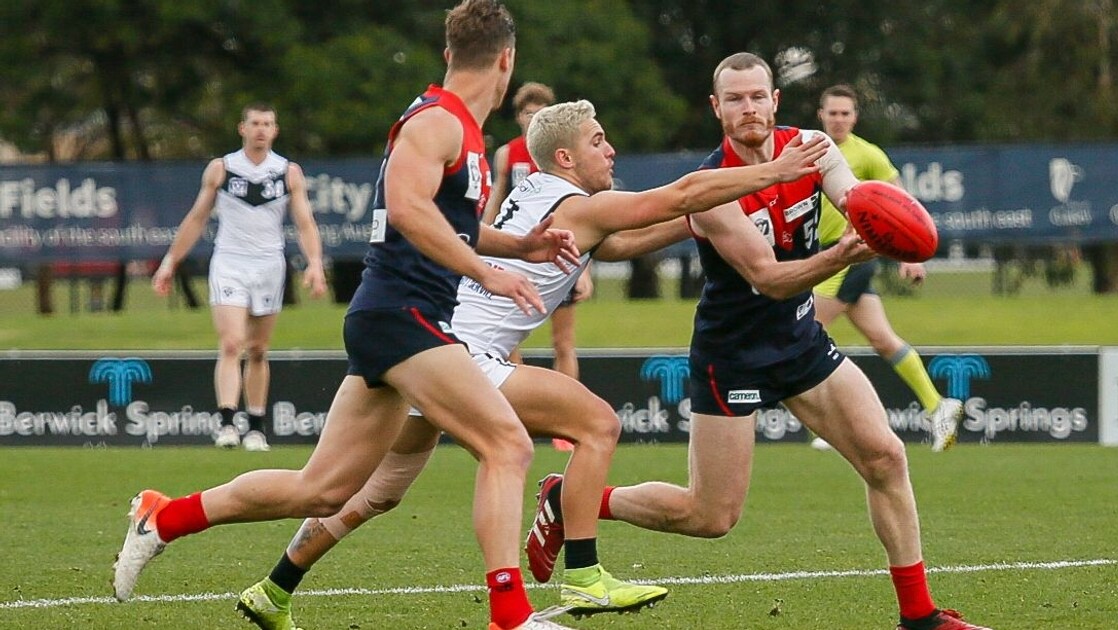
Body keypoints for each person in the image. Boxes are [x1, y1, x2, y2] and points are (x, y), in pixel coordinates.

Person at [233, 98, 832, 630]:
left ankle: (272, 589)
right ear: (567, 157)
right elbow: (675, 196)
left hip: (430, 347)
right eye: (599, 141)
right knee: (597, 424)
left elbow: (627, 238)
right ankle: (583, 573)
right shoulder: (576, 203)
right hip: (460, 355)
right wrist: (771, 174)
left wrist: (706, 217)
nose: (611, 148)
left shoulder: (549, 196)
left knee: (374, 494)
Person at [114, 3, 581, 629]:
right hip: (402, 316)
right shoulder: (440, 123)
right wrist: (485, 271)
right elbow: (408, 211)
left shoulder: (462, 131)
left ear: (450, 53)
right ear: (508, 60)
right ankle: (510, 615)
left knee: (324, 489)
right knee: (507, 444)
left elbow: (451, 223)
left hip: (399, 319)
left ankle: (163, 516)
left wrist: (519, 246)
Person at [525, 53, 992, 630]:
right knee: (710, 515)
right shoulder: (712, 188)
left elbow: (848, 193)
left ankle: (920, 617)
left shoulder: (814, 146)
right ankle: (570, 503)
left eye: (758, 96)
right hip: (733, 355)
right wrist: (845, 252)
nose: (749, 108)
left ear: (775, 101)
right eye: (735, 99)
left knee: (886, 457)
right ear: (717, 108)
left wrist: (866, 213)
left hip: (800, 341)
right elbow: (769, 279)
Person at [151, 103, 328, 452]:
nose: (261, 129)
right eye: (255, 123)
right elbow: (197, 218)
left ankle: (257, 426)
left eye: (267, 123)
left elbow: (305, 222)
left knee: (259, 349)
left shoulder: (288, 173)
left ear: (275, 130)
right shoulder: (222, 169)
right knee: (232, 342)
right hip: (230, 262)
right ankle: (228, 422)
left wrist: (316, 263)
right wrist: (170, 261)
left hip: (269, 265)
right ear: (242, 128)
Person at [811, 83, 961, 453]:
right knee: (883, 340)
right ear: (821, 115)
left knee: (805, 334)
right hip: (827, 255)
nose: (839, 119)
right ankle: (938, 405)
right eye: (833, 113)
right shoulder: (812, 150)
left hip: (850, 256)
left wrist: (910, 256)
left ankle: (838, 425)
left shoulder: (868, 155)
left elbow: (902, 207)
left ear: (855, 117)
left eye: (846, 113)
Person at [485, 82, 593, 431]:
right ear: (517, 117)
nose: (531, 119)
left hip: (559, 256)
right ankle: (515, 417)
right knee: (507, 342)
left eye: (539, 112)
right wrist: (481, 241)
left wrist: (584, 271)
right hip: (518, 258)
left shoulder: (567, 155)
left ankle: (567, 421)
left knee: (563, 342)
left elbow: (586, 219)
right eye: (526, 113)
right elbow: (497, 203)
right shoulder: (508, 154)